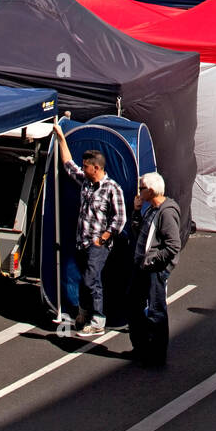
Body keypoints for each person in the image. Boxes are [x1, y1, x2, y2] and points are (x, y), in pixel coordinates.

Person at [51, 122, 127, 336]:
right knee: (87, 279)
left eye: (86, 166)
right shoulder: (85, 182)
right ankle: (83, 313)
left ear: (97, 167)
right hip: (81, 242)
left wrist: (102, 238)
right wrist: (61, 138)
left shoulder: (112, 188)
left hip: (97, 244)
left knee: (91, 279)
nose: (83, 168)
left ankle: (98, 320)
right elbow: (68, 164)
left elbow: (120, 219)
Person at [128, 171, 181, 366]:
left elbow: (173, 245)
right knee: (134, 305)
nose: (139, 192)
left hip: (154, 269)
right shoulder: (151, 209)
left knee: (156, 311)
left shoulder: (166, 212)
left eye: (141, 188)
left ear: (151, 190)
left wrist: (154, 261)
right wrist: (136, 211)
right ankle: (141, 347)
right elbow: (139, 232)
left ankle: (157, 355)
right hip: (142, 266)